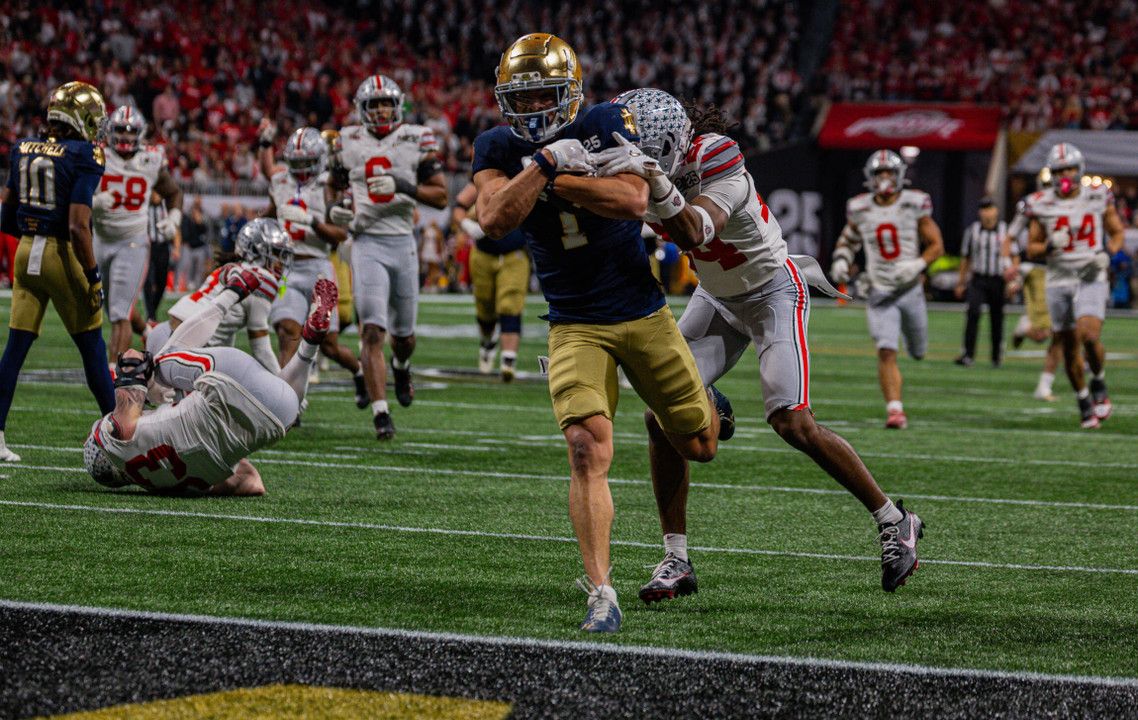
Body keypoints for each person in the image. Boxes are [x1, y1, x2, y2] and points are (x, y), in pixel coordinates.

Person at [599, 88, 924, 599]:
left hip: (774, 289)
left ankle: (893, 518)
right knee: (659, 416)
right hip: (718, 295)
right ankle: (676, 559)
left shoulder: (715, 154)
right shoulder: (643, 169)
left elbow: (695, 230)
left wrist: (654, 183)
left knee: (791, 421)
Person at [473, 35, 726, 633]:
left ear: (571, 93)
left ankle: (711, 407)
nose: (533, 105)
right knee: (587, 449)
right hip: (572, 323)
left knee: (700, 445)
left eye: (544, 92)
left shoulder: (608, 121)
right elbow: (492, 219)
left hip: (642, 312)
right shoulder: (496, 145)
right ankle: (601, 592)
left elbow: (633, 198)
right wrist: (544, 163)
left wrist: (555, 177)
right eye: (523, 95)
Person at [83, 269, 338, 495]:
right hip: (230, 378)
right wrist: (146, 384)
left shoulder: (180, 486)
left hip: (277, 415)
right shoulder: (114, 441)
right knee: (162, 361)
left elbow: (253, 483)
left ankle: (309, 347)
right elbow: (132, 362)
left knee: (282, 408)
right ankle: (232, 292)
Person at [0, 81, 116, 462]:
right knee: (92, 347)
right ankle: (120, 433)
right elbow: (78, 225)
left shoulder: (23, 148)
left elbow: (7, 212)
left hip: (26, 251)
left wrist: (30, 237)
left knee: (14, 351)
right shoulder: (85, 154)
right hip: (61, 255)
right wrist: (93, 274)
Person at [330, 75, 448, 439]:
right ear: (362, 110)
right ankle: (381, 413)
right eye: (374, 104)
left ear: (397, 106)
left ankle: (401, 365)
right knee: (372, 330)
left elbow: (441, 197)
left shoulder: (415, 137)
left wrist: (402, 185)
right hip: (366, 243)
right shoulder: (347, 141)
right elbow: (334, 189)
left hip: (402, 242)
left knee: (404, 336)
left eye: (386, 103)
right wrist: (339, 209)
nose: (381, 110)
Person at [830, 150, 945, 429]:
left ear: (899, 176)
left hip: (909, 289)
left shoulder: (914, 203)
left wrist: (917, 264)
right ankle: (895, 410)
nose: (884, 179)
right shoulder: (860, 208)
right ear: (870, 178)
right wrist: (841, 261)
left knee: (918, 350)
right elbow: (848, 239)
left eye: (888, 173)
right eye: (879, 174)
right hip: (880, 291)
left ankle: (912, 350)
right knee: (886, 350)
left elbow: (936, 245)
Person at [260, 126, 365, 408]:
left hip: (319, 267)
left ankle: (359, 371)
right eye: (296, 164)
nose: (301, 170)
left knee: (328, 345)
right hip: (287, 269)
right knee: (287, 332)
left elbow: (341, 234)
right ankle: (288, 405)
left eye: (307, 164)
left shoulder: (330, 185)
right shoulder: (281, 181)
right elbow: (271, 214)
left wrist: (312, 222)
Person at [1024, 143, 1125, 428]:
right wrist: (1047, 245)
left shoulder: (1097, 196)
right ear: (1051, 174)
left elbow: (1116, 232)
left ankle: (1099, 381)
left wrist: (1108, 253)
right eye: (1058, 170)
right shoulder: (1041, 202)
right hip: (1058, 280)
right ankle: (1083, 402)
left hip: (1090, 274)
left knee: (1089, 335)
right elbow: (1031, 248)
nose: (1064, 174)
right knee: (1069, 348)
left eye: (1068, 168)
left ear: (1078, 170)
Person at [91, 105, 183, 362]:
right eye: (120, 130)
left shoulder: (150, 159)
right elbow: (74, 195)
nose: (125, 137)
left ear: (141, 134)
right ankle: (148, 332)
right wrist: (94, 200)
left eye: (131, 132)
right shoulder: (98, 156)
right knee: (109, 308)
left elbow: (174, 192)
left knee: (120, 312)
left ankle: (114, 376)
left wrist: (174, 218)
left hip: (132, 242)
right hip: (100, 240)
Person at [146, 218, 293, 375]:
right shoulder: (261, 278)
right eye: (277, 254)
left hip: (166, 333)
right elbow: (260, 347)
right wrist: (284, 385)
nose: (281, 263)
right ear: (257, 251)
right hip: (189, 345)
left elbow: (224, 327)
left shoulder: (231, 267)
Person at [452, 181, 530, 381]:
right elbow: (458, 207)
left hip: (514, 253)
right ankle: (487, 342)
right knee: (485, 307)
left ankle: (508, 360)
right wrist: (466, 224)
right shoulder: (480, 179)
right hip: (484, 254)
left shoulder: (524, 174)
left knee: (510, 304)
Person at [1003, 170, 1064, 401]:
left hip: (1065, 270)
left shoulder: (1074, 203)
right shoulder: (1033, 205)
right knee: (1043, 333)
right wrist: (1011, 267)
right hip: (1036, 268)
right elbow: (1011, 238)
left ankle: (1044, 386)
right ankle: (1023, 328)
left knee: (1065, 331)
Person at [954, 197, 1008, 367]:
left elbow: (1013, 255)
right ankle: (968, 354)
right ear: (979, 212)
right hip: (978, 279)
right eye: (983, 209)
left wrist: (1014, 280)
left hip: (999, 279)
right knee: (973, 312)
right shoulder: (973, 231)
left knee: (997, 317)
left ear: (996, 211)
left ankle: (996, 356)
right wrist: (961, 282)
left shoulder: (1005, 230)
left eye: (989, 208)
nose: (987, 212)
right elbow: (966, 258)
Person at [143, 190, 181, 322]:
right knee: (147, 281)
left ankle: (152, 310)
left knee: (162, 282)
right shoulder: (145, 206)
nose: (156, 196)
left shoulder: (166, 207)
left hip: (163, 247)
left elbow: (176, 228)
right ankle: (151, 315)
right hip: (148, 247)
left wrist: (176, 247)